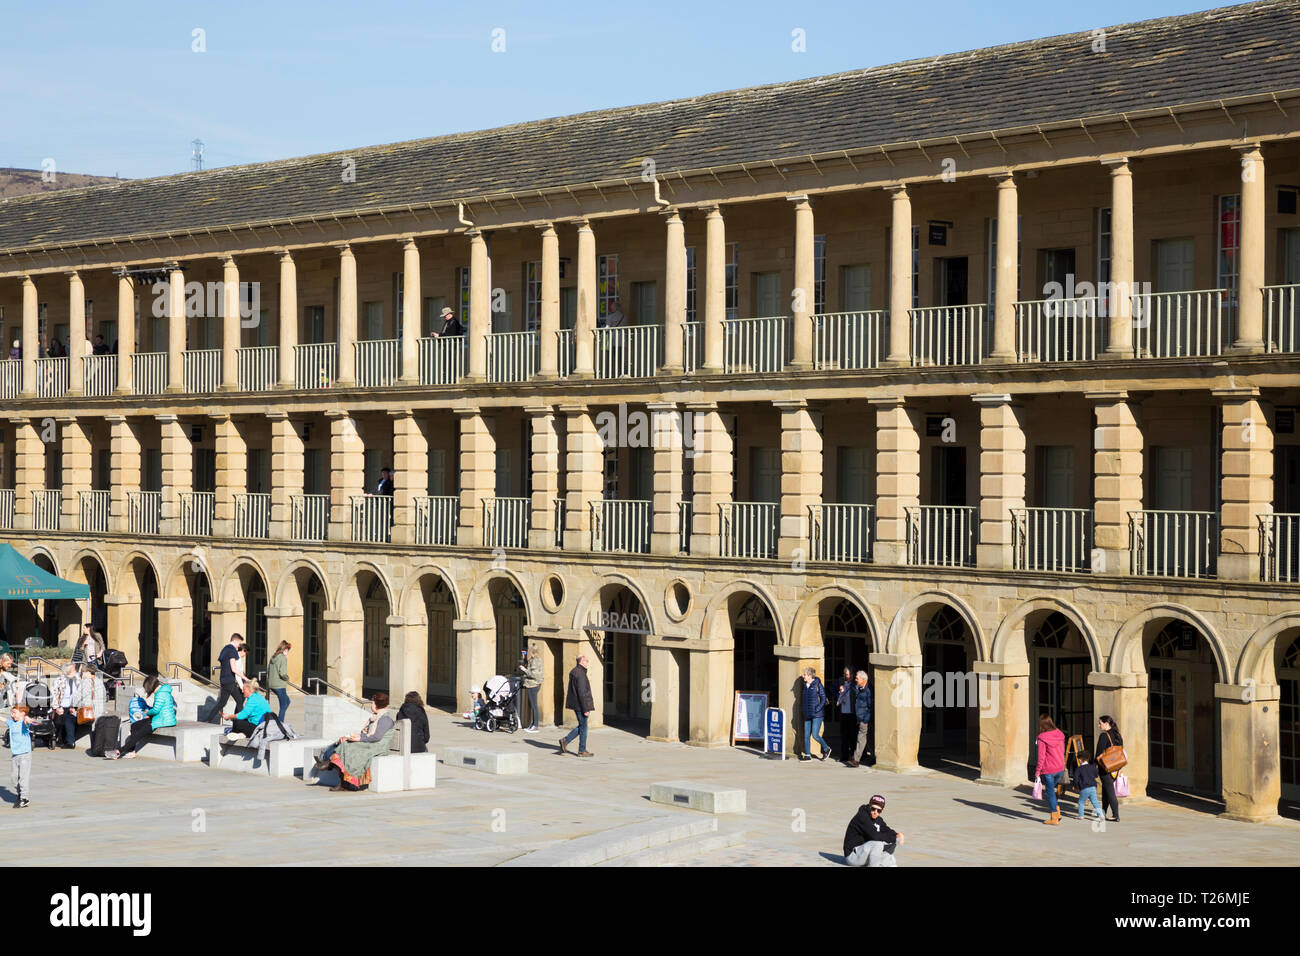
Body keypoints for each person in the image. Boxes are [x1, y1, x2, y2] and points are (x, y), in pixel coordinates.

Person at [313, 691, 395, 792]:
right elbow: (369, 735)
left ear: (378, 704)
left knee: (349, 747)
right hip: (371, 743)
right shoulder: (376, 717)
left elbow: (376, 737)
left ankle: (331, 765)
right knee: (346, 742)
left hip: (378, 746)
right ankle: (341, 780)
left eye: (373, 703)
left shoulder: (385, 719)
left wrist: (359, 738)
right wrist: (356, 736)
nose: (371, 705)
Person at [108, 677, 163, 760]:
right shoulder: (160, 692)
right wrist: (150, 714)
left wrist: (148, 713)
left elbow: (157, 710)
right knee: (134, 725)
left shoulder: (161, 694)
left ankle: (119, 751)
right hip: (158, 718)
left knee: (140, 733)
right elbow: (159, 709)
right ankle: (132, 751)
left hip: (162, 720)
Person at [843, 794, 903, 867]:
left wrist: (897, 835)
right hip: (853, 856)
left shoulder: (878, 820)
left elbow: (887, 830)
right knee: (878, 844)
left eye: (879, 810)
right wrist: (894, 838)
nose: (875, 812)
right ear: (869, 806)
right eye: (873, 809)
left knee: (892, 846)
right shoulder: (862, 817)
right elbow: (875, 836)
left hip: (864, 855)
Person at [557, 654, 594, 757]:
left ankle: (567, 741)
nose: (587, 663)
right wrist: (585, 708)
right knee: (583, 727)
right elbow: (582, 692)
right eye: (586, 661)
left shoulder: (574, 671)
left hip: (576, 703)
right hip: (581, 705)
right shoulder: (581, 674)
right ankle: (580, 749)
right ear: (581, 661)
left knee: (583, 726)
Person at [1035, 713, 1067, 825]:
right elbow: (1062, 751)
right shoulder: (1060, 734)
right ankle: (1057, 813)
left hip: (1049, 769)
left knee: (1050, 793)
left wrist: (1037, 771)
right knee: (1052, 792)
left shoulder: (1042, 738)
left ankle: (1054, 818)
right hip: (1060, 768)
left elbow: (1041, 757)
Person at [208, 633, 245, 723]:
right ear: (235, 640)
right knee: (240, 701)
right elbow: (233, 668)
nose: (239, 646)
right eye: (239, 643)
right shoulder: (232, 651)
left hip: (223, 680)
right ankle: (242, 722)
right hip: (230, 680)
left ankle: (208, 720)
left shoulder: (224, 649)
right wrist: (245, 678)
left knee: (222, 703)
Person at [1095, 715, 1124, 822]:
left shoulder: (1104, 736)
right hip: (1115, 767)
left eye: (1100, 723)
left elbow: (1098, 753)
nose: (1099, 725)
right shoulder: (1117, 735)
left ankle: (1116, 815)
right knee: (1106, 790)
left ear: (1106, 724)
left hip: (1105, 767)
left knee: (1110, 791)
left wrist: (1095, 765)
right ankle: (1103, 812)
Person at [7, 706, 35, 808]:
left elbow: (28, 722)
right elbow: (4, 719)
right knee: (14, 778)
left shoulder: (24, 724)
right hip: (15, 754)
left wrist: (27, 720)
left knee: (23, 777)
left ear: (22, 713)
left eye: (14, 712)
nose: (12, 714)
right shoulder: (12, 723)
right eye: (11, 713)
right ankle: (20, 794)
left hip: (25, 754)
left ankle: (24, 798)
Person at [800, 667, 831, 761]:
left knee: (815, 735)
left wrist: (817, 708)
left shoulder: (817, 684)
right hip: (807, 713)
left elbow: (823, 698)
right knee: (806, 735)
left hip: (817, 714)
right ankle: (808, 755)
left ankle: (826, 748)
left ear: (810, 675)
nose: (803, 676)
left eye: (804, 674)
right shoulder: (805, 685)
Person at [845, 670, 873, 768]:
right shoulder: (859, 688)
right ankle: (872, 757)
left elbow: (870, 706)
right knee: (867, 738)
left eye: (857, 678)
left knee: (861, 738)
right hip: (860, 717)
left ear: (863, 679)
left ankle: (856, 760)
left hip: (865, 718)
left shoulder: (869, 690)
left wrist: (865, 718)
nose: (855, 680)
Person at [51, 663, 80, 749]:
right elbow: (54, 694)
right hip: (62, 706)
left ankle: (69, 741)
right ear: (69, 671)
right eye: (74, 669)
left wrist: (77, 707)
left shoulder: (78, 679)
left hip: (74, 706)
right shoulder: (59, 680)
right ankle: (59, 739)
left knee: (71, 720)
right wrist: (57, 707)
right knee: (59, 721)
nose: (76, 671)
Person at [519, 642, 543, 732]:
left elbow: (534, 674)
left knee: (534, 705)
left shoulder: (536, 661)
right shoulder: (533, 660)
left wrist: (524, 670)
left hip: (533, 684)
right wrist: (524, 658)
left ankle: (535, 726)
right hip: (531, 684)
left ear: (532, 652)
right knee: (533, 705)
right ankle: (533, 724)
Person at [1073, 749, 1103, 821]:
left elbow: (1076, 779)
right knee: (1095, 802)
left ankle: (1081, 816)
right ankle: (1101, 815)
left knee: (1081, 802)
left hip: (1084, 787)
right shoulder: (1092, 767)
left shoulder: (1079, 769)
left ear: (1080, 759)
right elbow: (1096, 775)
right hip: (1093, 787)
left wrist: (1075, 786)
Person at [834, 666, 856, 760]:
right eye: (847, 674)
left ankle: (854, 755)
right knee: (844, 736)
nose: (849, 676)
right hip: (843, 712)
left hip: (853, 712)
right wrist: (839, 691)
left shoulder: (855, 683)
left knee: (853, 735)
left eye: (850, 674)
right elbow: (832, 689)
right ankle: (844, 756)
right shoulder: (841, 681)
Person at [267, 641, 291, 721]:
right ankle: (280, 723)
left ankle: (277, 720)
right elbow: (283, 673)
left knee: (287, 701)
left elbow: (268, 670)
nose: (288, 652)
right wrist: (287, 679)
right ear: (284, 649)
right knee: (283, 706)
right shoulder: (283, 658)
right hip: (280, 685)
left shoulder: (273, 657)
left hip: (272, 684)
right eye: (288, 650)